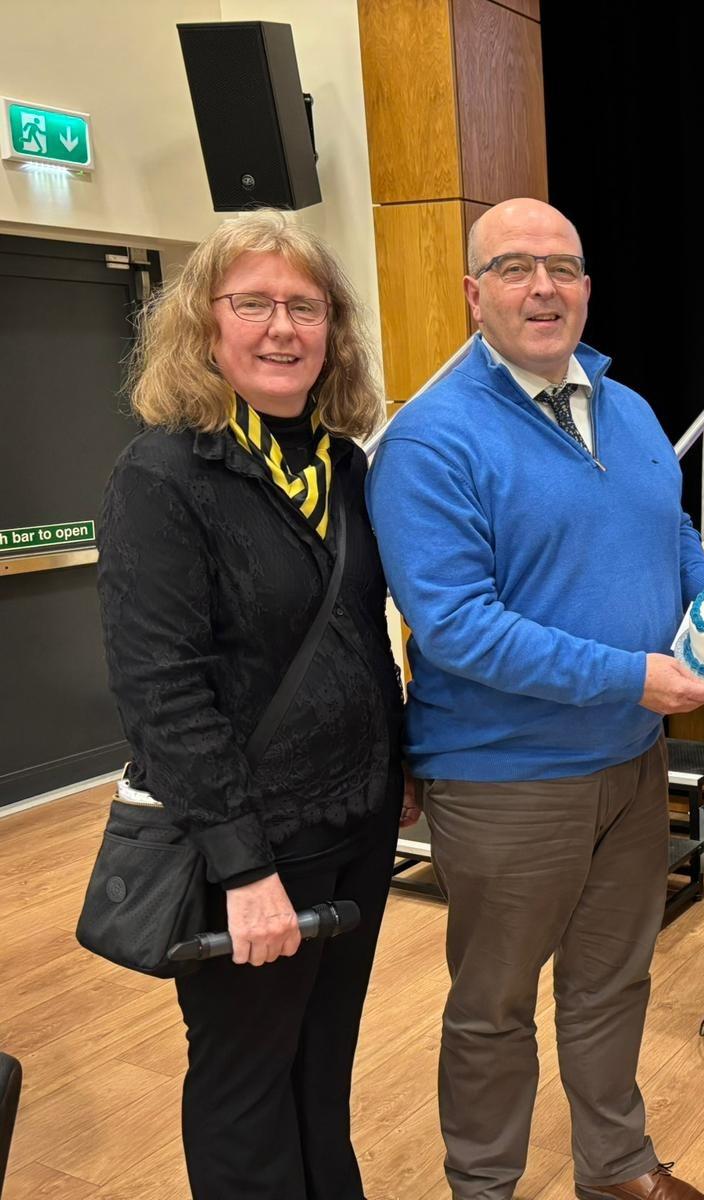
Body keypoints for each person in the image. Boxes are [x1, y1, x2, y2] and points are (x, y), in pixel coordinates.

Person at [366, 198, 704, 1200]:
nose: (543, 288)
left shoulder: (632, 409)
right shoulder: (430, 442)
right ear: (474, 294)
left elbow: (675, 540)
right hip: (506, 777)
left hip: (631, 760)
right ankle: (484, 1188)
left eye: (562, 268)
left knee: (614, 985)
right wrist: (634, 674)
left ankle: (614, 1168)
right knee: (492, 1006)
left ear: (587, 290)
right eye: (516, 268)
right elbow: (456, 626)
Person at [97, 211, 408, 1200]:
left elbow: (362, 636)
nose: (282, 328)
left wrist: (395, 777)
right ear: (205, 327)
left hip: (352, 826)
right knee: (242, 1085)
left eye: (303, 306)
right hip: (251, 842)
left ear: (333, 329)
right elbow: (162, 691)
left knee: (320, 1069)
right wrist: (243, 870)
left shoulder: (341, 465)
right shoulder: (164, 474)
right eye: (254, 304)